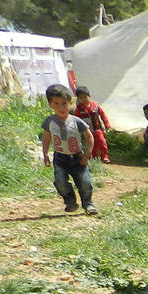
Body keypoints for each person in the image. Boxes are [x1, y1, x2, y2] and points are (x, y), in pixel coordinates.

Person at [40, 84, 97, 215]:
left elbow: (89, 138)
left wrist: (86, 155)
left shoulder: (76, 121)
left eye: (64, 103)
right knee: (60, 181)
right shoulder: (49, 122)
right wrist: (45, 154)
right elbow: (46, 138)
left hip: (77, 157)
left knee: (85, 182)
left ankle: (88, 204)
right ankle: (70, 202)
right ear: (50, 104)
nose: (61, 107)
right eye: (56, 103)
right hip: (60, 158)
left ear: (71, 103)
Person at [71, 85, 111, 164]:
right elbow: (76, 120)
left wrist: (107, 125)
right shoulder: (78, 110)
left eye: (85, 97)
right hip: (86, 131)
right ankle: (94, 157)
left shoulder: (95, 106)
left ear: (89, 96)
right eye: (81, 98)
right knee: (91, 144)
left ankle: (105, 156)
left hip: (97, 129)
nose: (83, 99)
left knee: (101, 141)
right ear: (78, 99)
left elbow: (103, 115)